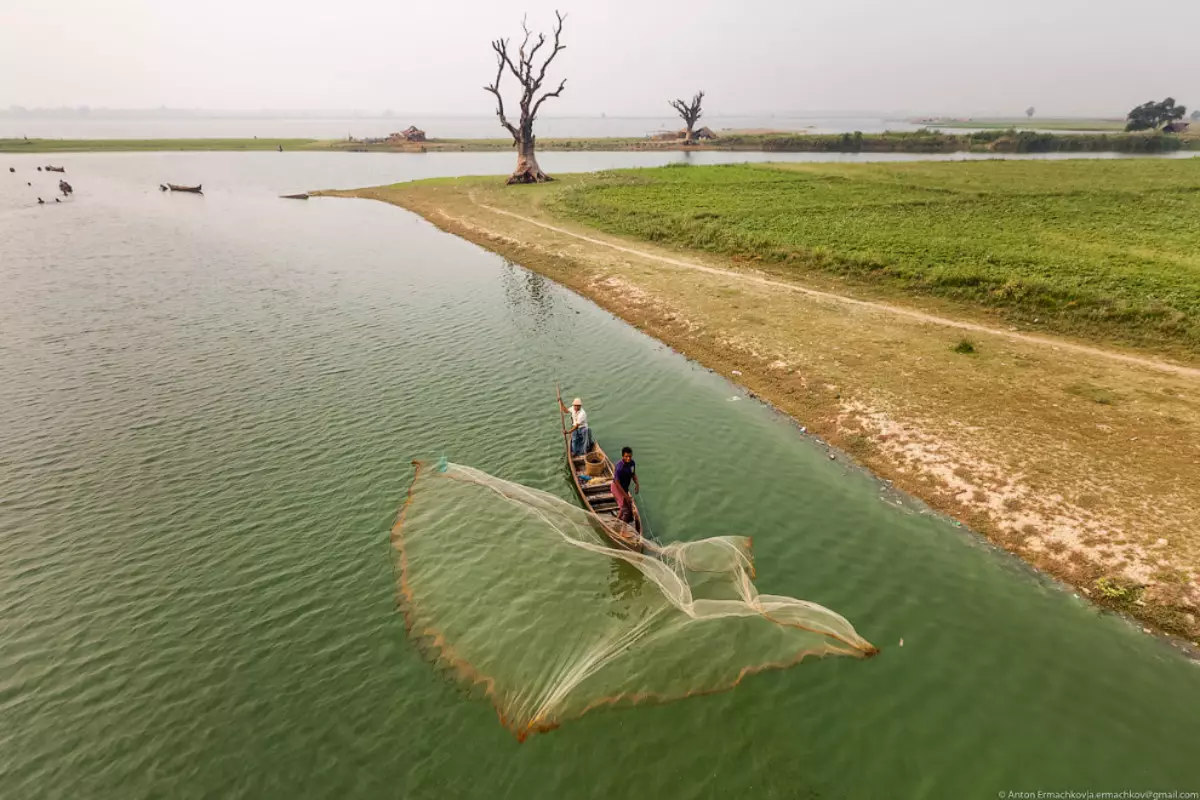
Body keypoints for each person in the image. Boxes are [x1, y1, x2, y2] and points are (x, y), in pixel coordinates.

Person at [611, 447, 639, 524]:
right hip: (616, 488)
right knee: (625, 510)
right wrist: (625, 496)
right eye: (626, 456)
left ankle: (616, 522)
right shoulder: (619, 467)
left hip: (625, 488)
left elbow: (633, 474)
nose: (628, 458)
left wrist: (637, 484)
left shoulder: (632, 464)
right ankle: (623, 531)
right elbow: (617, 483)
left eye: (630, 456)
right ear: (622, 456)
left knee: (629, 508)